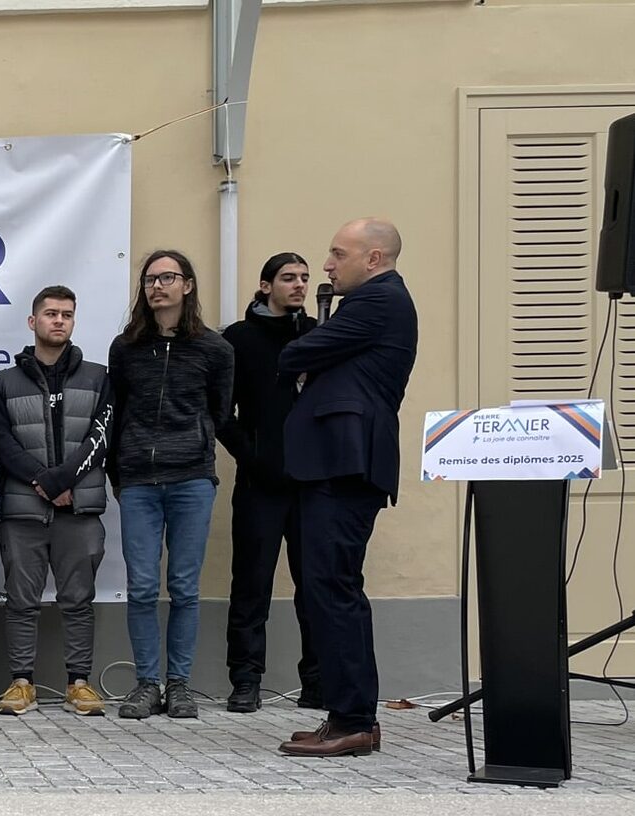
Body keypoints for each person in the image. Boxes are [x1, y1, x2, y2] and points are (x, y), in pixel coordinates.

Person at [278, 218, 416, 758]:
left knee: (334, 590)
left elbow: (294, 355)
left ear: (374, 258)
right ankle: (343, 715)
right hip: (332, 466)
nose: (328, 266)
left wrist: (310, 357)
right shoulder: (369, 304)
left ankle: (356, 720)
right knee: (326, 588)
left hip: (346, 466)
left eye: (338, 254)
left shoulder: (380, 301)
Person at [108, 250, 234, 721]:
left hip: (191, 480)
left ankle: (179, 684)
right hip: (138, 480)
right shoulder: (125, 348)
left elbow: (220, 413)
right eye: (149, 279)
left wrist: (195, 451)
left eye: (167, 278)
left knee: (184, 586)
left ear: (188, 285)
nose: (157, 286)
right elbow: (116, 414)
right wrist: (119, 476)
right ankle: (147, 683)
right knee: (141, 587)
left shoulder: (215, 349)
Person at [0, 285, 113, 717]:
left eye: (67, 314)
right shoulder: (5, 382)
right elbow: (1, 443)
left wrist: (63, 480)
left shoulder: (98, 378)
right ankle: (21, 682)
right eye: (50, 313)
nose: (59, 320)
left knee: (78, 600)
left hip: (79, 510)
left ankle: (79, 683)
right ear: (32, 322)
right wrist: (43, 480)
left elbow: (101, 438)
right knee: (21, 600)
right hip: (23, 510)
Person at [219, 253, 321, 713]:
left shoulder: (320, 333)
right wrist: (254, 456)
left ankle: (318, 682)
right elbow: (222, 413)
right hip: (260, 482)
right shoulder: (239, 340)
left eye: (304, 278)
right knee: (251, 585)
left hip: (312, 483)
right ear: (265, 286)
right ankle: (245, 680)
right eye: (288, 278)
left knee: (316, 585)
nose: (298, 285)